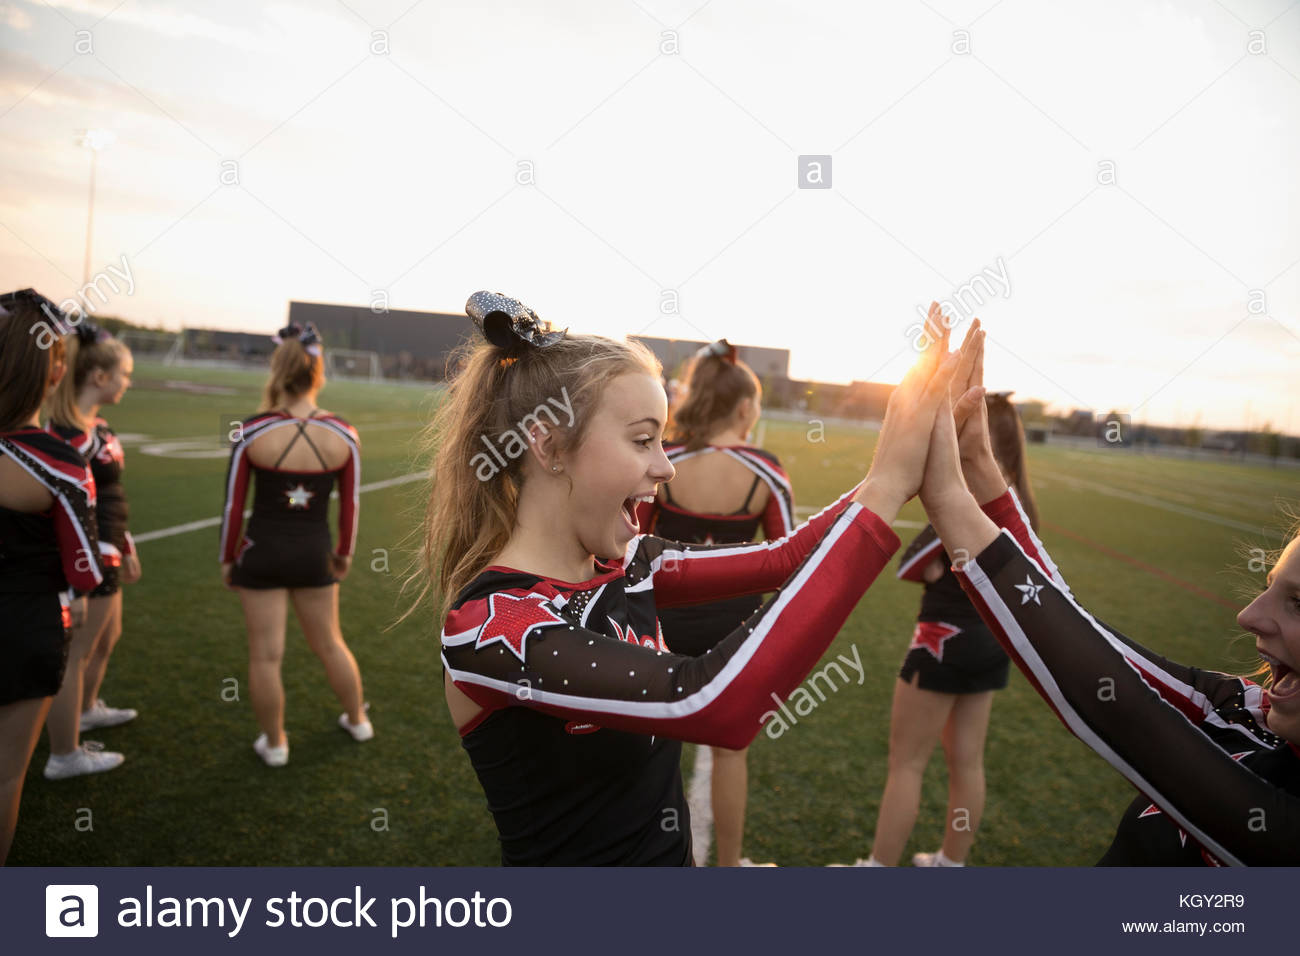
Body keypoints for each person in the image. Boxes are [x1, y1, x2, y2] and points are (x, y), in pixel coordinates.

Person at [423, 292, 963, 865]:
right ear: (551, 445)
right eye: (641, 440)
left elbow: (786, 557)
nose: (665, 465)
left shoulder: (631, 564)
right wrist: (885, 488)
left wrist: (896, 465)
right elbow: (708, 703)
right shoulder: (489, 625)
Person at [917, 322, 1300, 866]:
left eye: (1298, 603)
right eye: (1269, 590)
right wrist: (979, 470)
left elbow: (1123, 716)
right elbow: (1087, 641)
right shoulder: (1253, 711)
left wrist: (948, 498)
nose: (1248, 615)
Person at [861, 357, 1037, 867]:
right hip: (992, 643)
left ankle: (878, 867)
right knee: (968, 764)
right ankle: (950, 863)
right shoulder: (1018, 504)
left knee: (907, 764)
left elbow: (914, 564)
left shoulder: (962, 499)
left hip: (943, 636)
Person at [635, 339, 794, 866]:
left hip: (660, 623)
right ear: (746, 408)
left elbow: (628, 545)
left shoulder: (664, 458)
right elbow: (789, 561)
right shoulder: (767, 470)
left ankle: (648, 859)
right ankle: (728, 867)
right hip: (738, 629)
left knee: (654, 750)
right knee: (730, 750)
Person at [219, 322, 370, 767]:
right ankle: (358, 719)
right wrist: (343, 555)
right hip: (314, 554)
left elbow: (232, 507)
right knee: (330, 643)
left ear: (276, 368)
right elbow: (351, 507)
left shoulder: (250, 431)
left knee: (266, 656)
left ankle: (276, 744)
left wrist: (228, 558)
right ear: (317, 371)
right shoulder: (344, 434)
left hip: (260, 553)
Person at [0, 290, 103, 860]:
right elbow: (84, 568)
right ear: (55, 367)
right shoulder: (58, 460)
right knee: (5, 777)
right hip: (24, 623)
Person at [43, 321, 137, 780]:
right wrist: (78, 573)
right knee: (75, 655)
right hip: (88, 559)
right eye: (124, 374)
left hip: (110, 550)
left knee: (107, 638)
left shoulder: (98, 427)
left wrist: (127, 543)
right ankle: (64, 753)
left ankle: (85, 709)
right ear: (99, 377)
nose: (128, 382)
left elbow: (110, 496)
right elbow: (69, 509)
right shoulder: (63, 436)